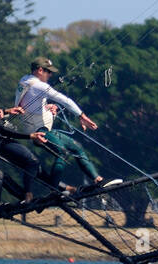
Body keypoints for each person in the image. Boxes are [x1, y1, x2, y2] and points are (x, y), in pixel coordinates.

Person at [12, 57, 107, 190]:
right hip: (40, 131)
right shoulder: (40, 86)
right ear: (40, 70)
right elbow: (65, 100)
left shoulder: (25, 80)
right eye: (48, 72)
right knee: (61, 152)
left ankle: (97, 179)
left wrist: (48, 106)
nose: (50, 75)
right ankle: (54, 189)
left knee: (77, 148)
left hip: (41, 129)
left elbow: (30, 104)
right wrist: (81, 115)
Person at [0, 68, 53, 200]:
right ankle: (28, 196)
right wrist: (30, 136)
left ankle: (62, 190)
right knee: (32, 162)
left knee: (34, 167)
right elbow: (2, 129)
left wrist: (6, 111)